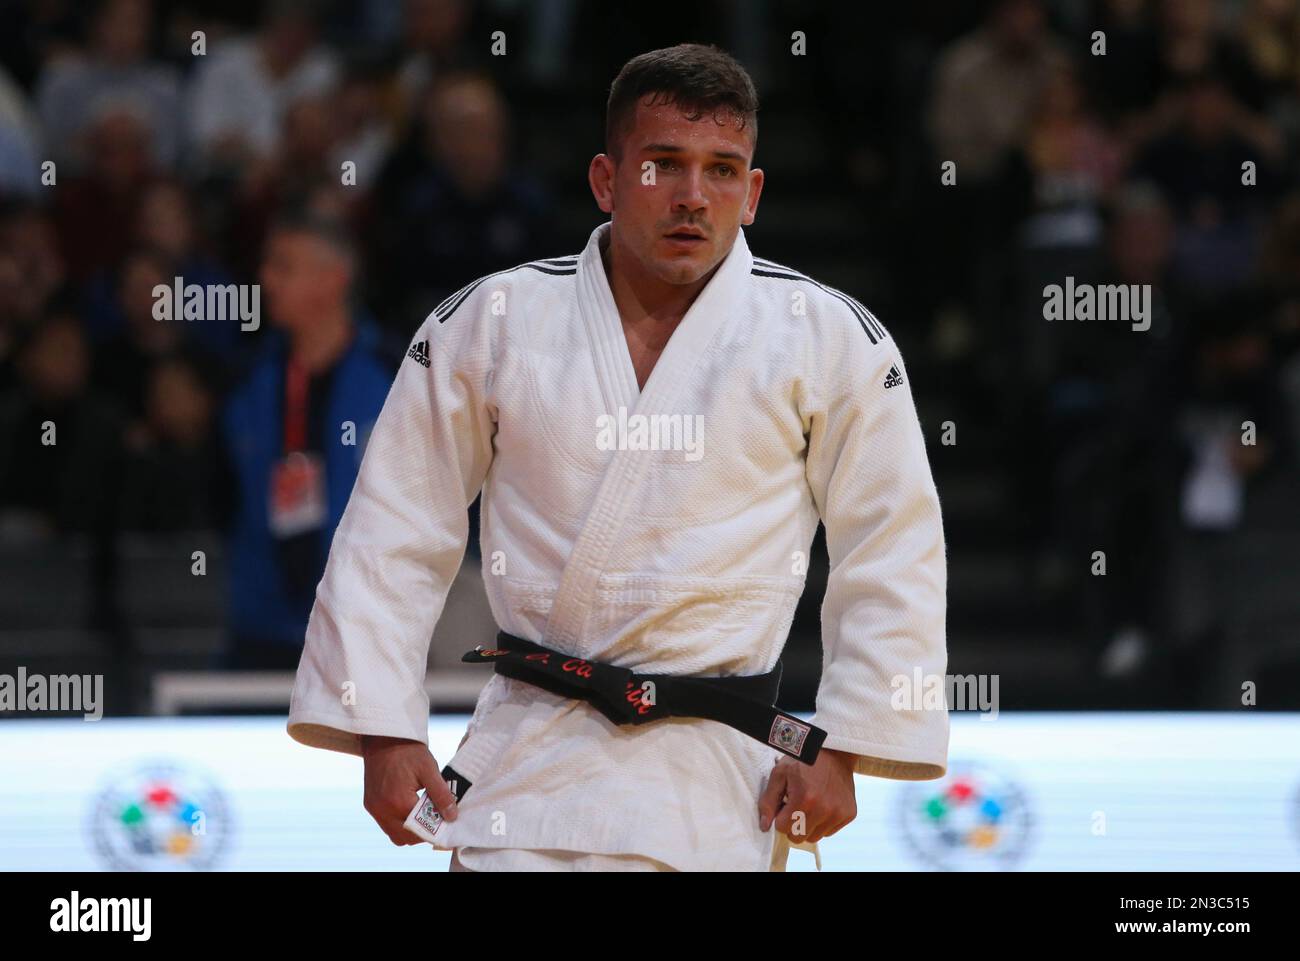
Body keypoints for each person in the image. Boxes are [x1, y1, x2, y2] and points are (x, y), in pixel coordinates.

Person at [287, 44, 948, 871]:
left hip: (718, 779)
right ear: (606, 179)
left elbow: (893, 551)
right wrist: (383, 726)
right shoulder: (491, 321)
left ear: (752, 194)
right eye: (663, 165)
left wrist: (845, 744)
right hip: (527, 770)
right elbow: (394, 528)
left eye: (721, 170)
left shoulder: (832, 339)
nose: (691, 197)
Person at [222, 211, 393, 670]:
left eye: (283, 267)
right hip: (260, 632)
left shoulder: (396, 377)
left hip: (362, 635)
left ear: (331, 280)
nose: (265, 278)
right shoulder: (247, 380)